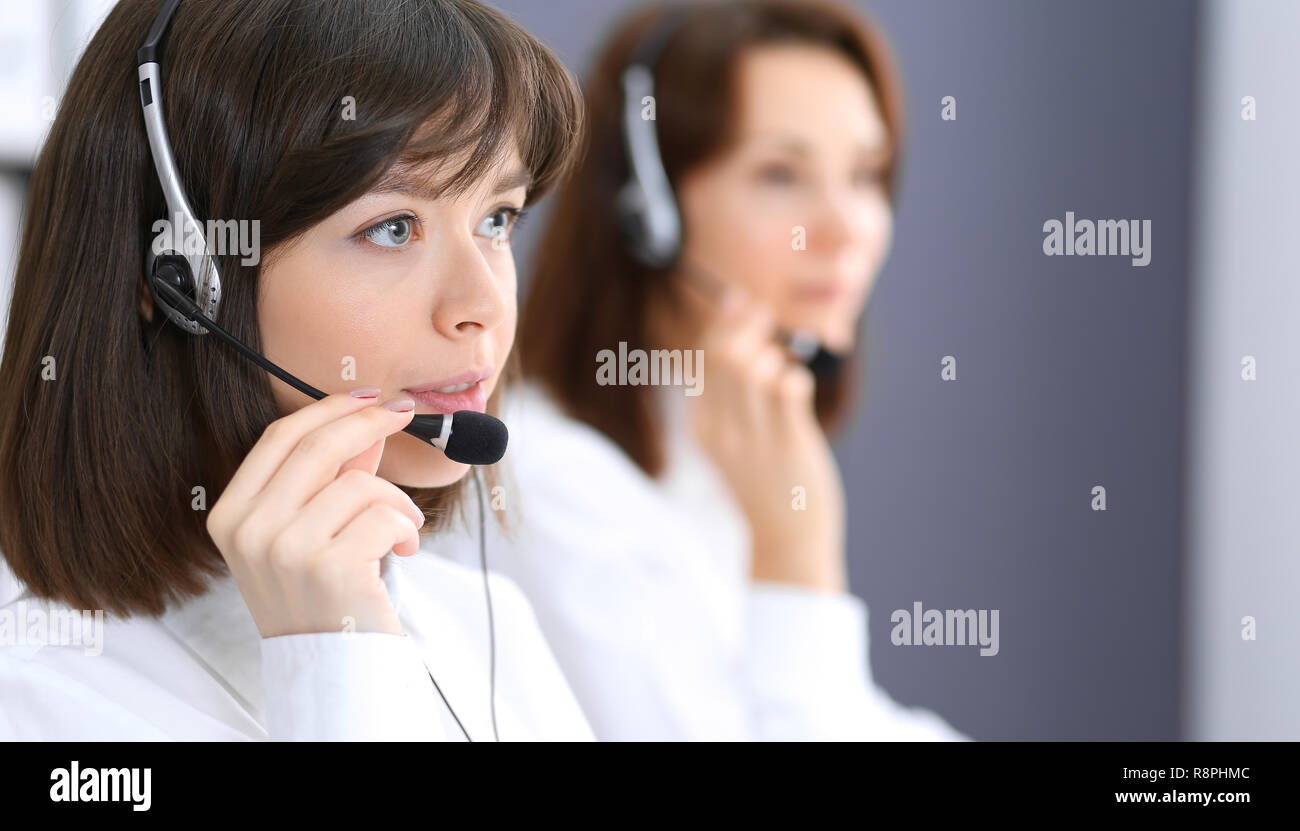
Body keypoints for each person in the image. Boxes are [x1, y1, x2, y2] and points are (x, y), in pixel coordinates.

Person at [0, 0, 591, 741]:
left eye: (497, 219)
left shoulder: (483, 620)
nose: (483, 305)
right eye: (392, 227)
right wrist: (332, 661)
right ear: (181, 280)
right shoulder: (42, 708)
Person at [439, 0, 968, 740]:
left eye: (867, 174)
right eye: (782, 174)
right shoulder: (546, 487)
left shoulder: (726, 452)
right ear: (646, 213)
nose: (847, 227)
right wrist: (797, 560)